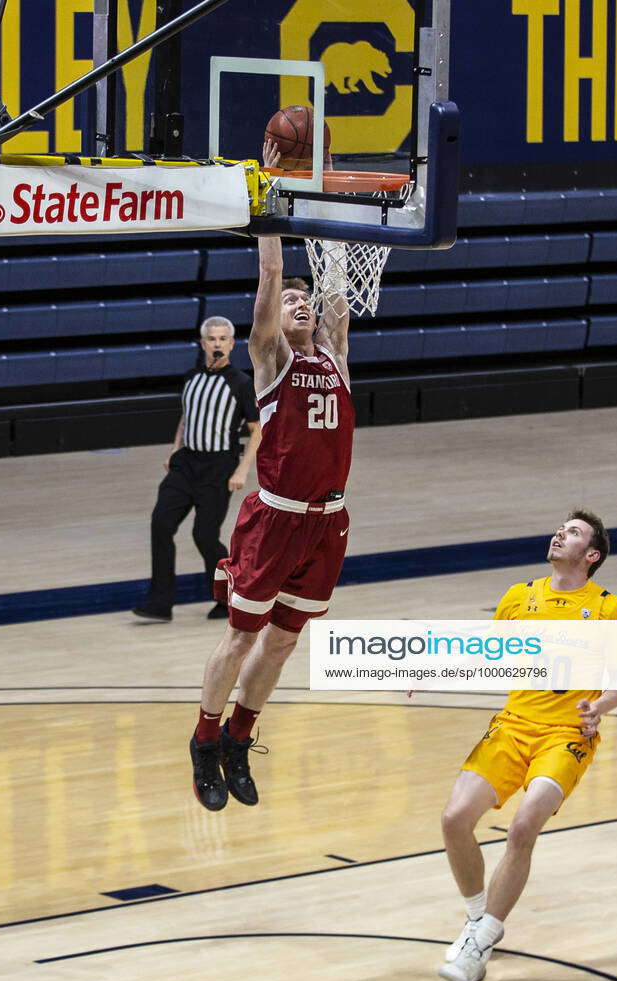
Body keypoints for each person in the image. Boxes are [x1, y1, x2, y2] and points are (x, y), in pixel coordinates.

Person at [188, 142, 354, 812]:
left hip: (328, 521)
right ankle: (203, 738)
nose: (300, 301)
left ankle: (239, 735)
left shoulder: (336, 355)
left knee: (285, 642)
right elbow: (271, 278)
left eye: (305, 299)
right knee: (242, 635)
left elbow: (337, 283)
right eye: (291, 300)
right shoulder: (268, 356)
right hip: (275, 514)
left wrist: (331, 185)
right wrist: (277, 201)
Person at [437, 509, 617, 981]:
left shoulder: (608, 608)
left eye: (574, 533)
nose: (559, 534)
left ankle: (479, 944)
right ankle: (478, 919)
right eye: (560, 528)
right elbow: (488, 654)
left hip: (566, 734)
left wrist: (599, 706)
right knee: (454, 819)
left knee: (523, 826)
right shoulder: (518, 597)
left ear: (591, 555)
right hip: (513, 726)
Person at [133, 317, 260, 623]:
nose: (217, 343)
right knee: (160, 523)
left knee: (204, 535)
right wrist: (174, 449)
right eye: (211, 339)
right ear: (203, 344)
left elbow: (257, 430)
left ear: (231, 344)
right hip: (186, 464)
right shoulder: (191, 377)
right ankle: (160, 603)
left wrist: (242, 470)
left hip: (219, 467)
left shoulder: (241, 383)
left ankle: (228, 598)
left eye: (223, 339)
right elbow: (186, 416)